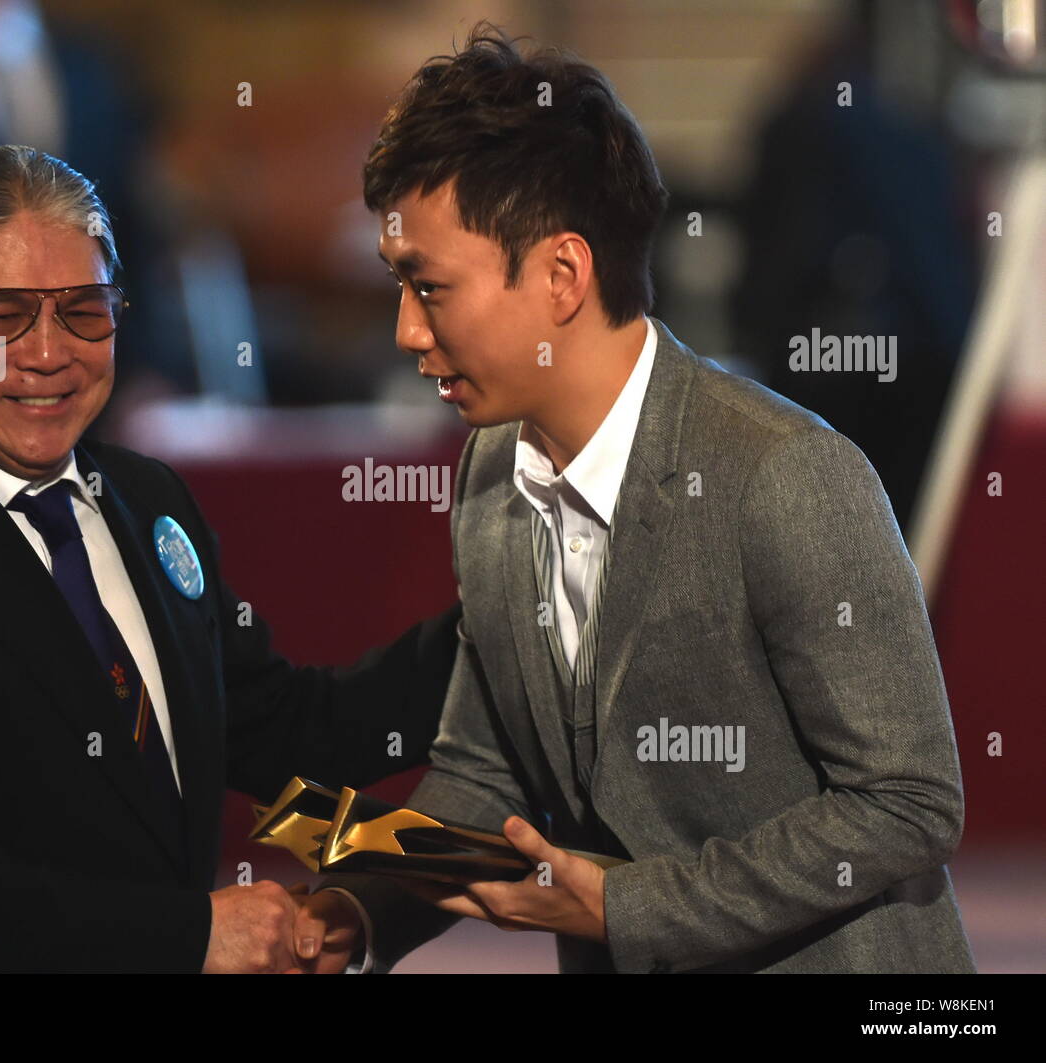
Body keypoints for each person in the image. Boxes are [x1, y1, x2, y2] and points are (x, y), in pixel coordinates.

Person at [294, 24, 976, 973]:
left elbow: (908, 801)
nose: (407, 330)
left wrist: (629, 903)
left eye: (430, 287)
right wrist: (354, 912)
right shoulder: (491, 468)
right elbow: (485, 769)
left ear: (564, 275)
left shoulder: (784, 473)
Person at [0, 145, 459, 973]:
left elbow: (282, 732)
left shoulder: (148, 499)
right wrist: (191, 937)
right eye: (2, 314)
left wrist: (516, 616)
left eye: (84, 310)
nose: (50, 352)